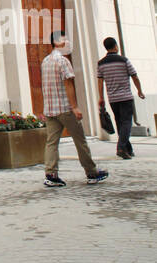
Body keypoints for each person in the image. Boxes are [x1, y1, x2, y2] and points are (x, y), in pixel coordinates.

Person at [41, 28, 109, 188]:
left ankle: (51, 174)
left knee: (51, 142)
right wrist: (75, 107)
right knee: (80, 141)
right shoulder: (63, 61)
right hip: (65, 108)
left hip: (50, 109)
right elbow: (68, 84)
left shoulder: (45, 61)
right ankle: (91, 172)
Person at [97, 36, 145, 160]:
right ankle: (121, 147)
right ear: (115, 46)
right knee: (127, 122)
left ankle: (128, 149)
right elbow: (134, 76)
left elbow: (100, 82)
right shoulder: (124, 60)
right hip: (126, 97)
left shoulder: (101, 63)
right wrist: (139, 90)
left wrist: (101, 97)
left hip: (112, 98)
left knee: (120, 123)